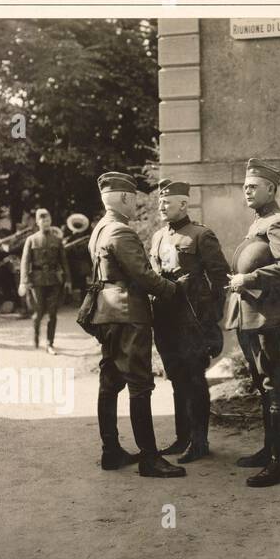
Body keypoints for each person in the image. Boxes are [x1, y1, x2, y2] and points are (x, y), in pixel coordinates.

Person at [89, 171, 185, 478]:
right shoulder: (122, 231)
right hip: (129, 314)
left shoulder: (100, 229)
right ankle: (149, 458)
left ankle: (111, 451)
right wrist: (173, 290)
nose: (136, 207)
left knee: (110, 382)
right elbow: (143, 275)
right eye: (133, 200)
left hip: (106, 313)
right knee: (140, 385)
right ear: (126, 198)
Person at [223, 159, 280, 487]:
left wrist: (249, 277)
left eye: (253, 186)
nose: (247, 191)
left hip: (272, 317)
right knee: (262, 386)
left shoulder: (278, 223)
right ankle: (269, 450)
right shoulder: (260, 222)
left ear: (271, 188)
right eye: (245, 186)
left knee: (275, 388)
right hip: (253, 316)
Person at [148, 180, 229, 463]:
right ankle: (182, 437)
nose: (161, 206)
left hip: (192, 320)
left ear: (183, 204)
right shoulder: (158, 237)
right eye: (160, 201)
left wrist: (212, 317)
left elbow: (221, 278)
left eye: (167, 202)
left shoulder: (201, 236)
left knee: (195, 379)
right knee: (176, 379)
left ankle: (199, 441)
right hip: (165, 319)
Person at [19, 208, 69, 353]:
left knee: (52, 313)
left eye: (47, 220)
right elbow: (25, 262)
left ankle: (50, 343)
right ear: (37, 222)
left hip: (54, 280)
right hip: (37, 280)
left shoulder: (57, 240)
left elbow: (64, 262)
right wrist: (24, 281)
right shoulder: (31, 239)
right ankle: (36, 337)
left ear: (50, 221)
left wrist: (68, 280)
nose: (45, 223)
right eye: (42, 220)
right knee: (38, 312)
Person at [63, 213, 92, 306]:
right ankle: (70, 299)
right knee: (72, 281)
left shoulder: (86, 238)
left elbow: (86, 252)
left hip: (81, 263)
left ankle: (83, 301)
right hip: (72, 263)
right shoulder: (69, 238)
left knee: (83, 283)